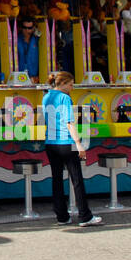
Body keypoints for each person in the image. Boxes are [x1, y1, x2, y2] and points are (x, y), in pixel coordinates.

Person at [41, 70, 101, 227]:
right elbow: (69, 122)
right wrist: (79, 143)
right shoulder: (65, 98)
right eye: (70, 84)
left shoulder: (46, 97)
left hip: (50, 143)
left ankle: (62, 216)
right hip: (66, 142)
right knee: (77, 180)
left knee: (57, 179)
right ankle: (85, 216)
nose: (72, 87)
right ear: (62, 84)